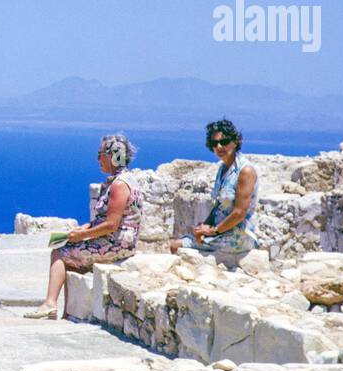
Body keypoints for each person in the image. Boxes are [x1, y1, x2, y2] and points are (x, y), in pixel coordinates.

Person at [26, 132, 142, 320]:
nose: (98, 160)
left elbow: (111, 224)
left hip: (117, 243)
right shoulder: (122, 180)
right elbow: (104, 219)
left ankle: (50, 303)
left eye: (100, 155)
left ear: (113, 156)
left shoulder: (119, 185)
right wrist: (84, 228)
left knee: (60, 253)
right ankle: (67, 312)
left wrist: (81, 236)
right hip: (117, 240)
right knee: (72, 261)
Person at [169, 118, 259, 256]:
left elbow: (239, 213)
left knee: (176, 246)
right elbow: (219, 206)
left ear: (235, 142)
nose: (218, 147)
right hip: (221, 231)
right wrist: (204, 227)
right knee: (182, 241)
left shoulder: (245, 171)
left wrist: (214, 231)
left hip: (238, 235)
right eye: (214, 143)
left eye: (223, 142)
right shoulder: (223, 169)